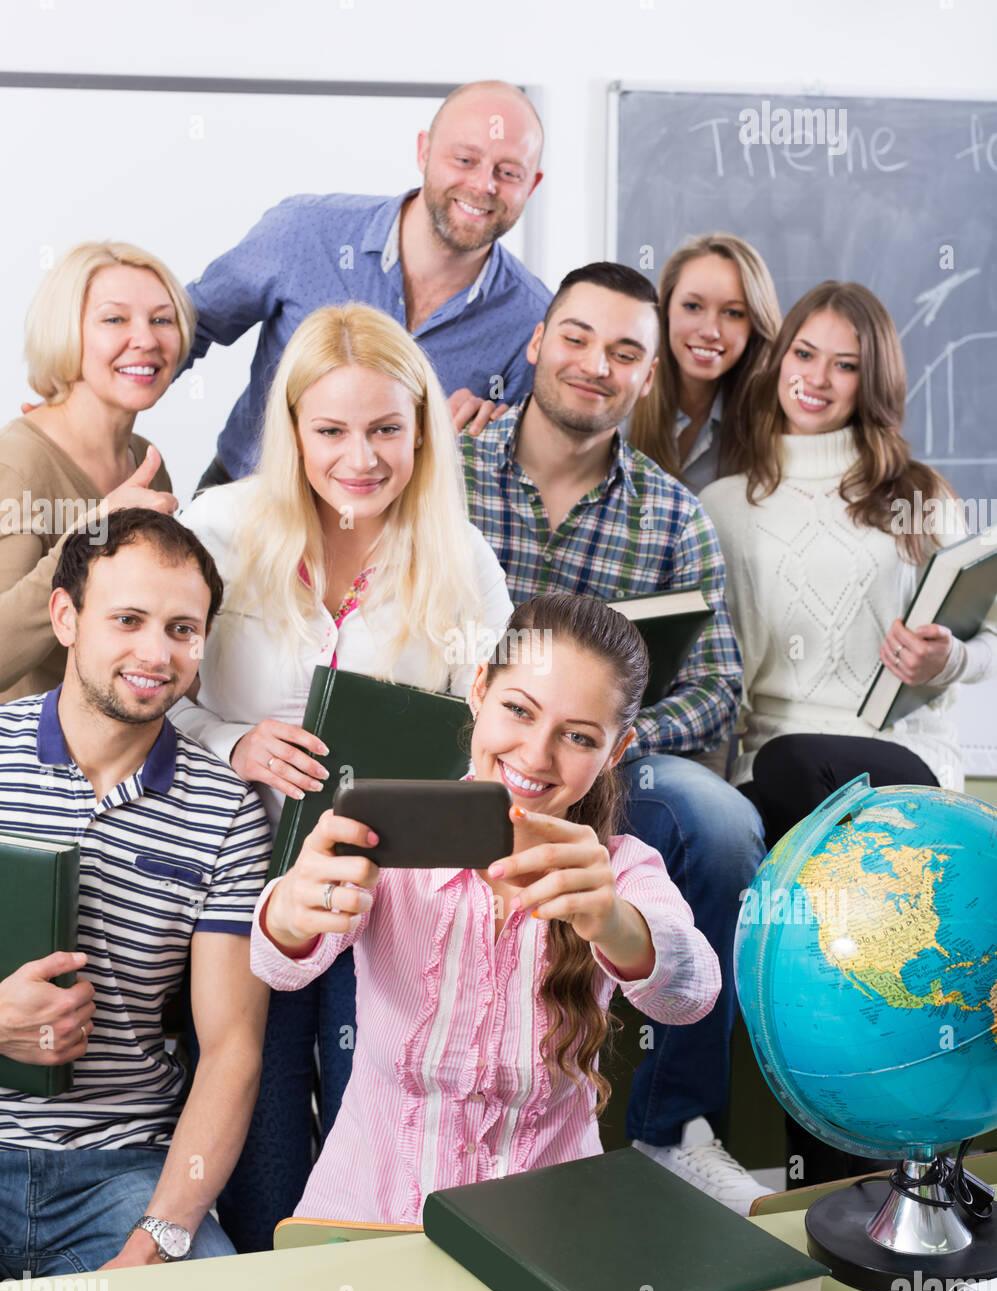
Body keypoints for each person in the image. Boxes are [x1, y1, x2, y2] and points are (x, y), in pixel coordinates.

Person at [174, 301, 513, 1249]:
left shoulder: (462, 562)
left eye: (384, 430)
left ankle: (373, 1268)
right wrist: (230, 737)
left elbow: (488, 739)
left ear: (420, 432)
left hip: (384, 888)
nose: (357, 457)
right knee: (262, 1094)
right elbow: (150, 686)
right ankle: (260, 1266)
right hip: (236, 871)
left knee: (378, 1084)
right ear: (291, 432)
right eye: (329, 430)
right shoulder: (222, 531)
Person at [460, 260, 771, 1214]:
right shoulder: (446, 470)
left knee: (720, 824)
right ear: (536, 343)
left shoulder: (672, 513)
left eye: (626, 353)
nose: (596, 365)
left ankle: (675, 1127)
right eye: (578, 338)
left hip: (615, 766)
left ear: (647, 379)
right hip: (469, 755)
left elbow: (719, 683)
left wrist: (619, 742)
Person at [251, 593, 720, 1222]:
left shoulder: (618, 867)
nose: (535, 755)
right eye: (518, 710)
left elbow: (691, 996)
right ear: (478, 690)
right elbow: (277, 966)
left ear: (616, 750)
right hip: (372, 1212)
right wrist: (290, 910)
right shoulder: (392, 834)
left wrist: (612, 922)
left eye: (578, 736)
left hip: (548, 1225)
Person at [700, 282, 997, 1186]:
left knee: (792, 773)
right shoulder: (718, 502)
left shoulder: (916, 500)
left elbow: (981, 646)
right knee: (822, 969)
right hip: (777, 781)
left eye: (845, 365)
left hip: (898, 772)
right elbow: (718, 672)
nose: (817, 379)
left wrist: (940, 659)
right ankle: (839, 1187)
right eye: (802, 354)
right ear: (776, 356)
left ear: (872, 381)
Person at [0, 510, 272, 1275]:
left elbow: (230, 1052)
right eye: (128, 620)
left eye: (182, 629)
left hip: (123, 1168)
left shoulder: (225, 812)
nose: (156, 653)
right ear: (66, 618)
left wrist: (160, 1238)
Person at [185, 80, 549, 489]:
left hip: (395, 541)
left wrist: (480, 442)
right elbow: (184, 326)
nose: (485, 185)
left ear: (531, 185)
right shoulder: (304, 231)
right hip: (244, 510)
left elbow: (523, 471)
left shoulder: (534, 322)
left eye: (509, 172)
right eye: (465, 159)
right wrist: (105, 443)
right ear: (424, 151)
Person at [0, 241, 188, 703]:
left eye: (162, 320)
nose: (146, 338)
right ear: (67, 333)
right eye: (114, 319)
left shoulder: (146, 463)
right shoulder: (19, 466)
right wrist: (89, 539)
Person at [629, 233, 780, 493]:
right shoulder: (619, 401)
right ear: (665, 311)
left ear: (755, 325)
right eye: (692, 306)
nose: (710, 331)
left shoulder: (771, 423)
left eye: (733, 313)